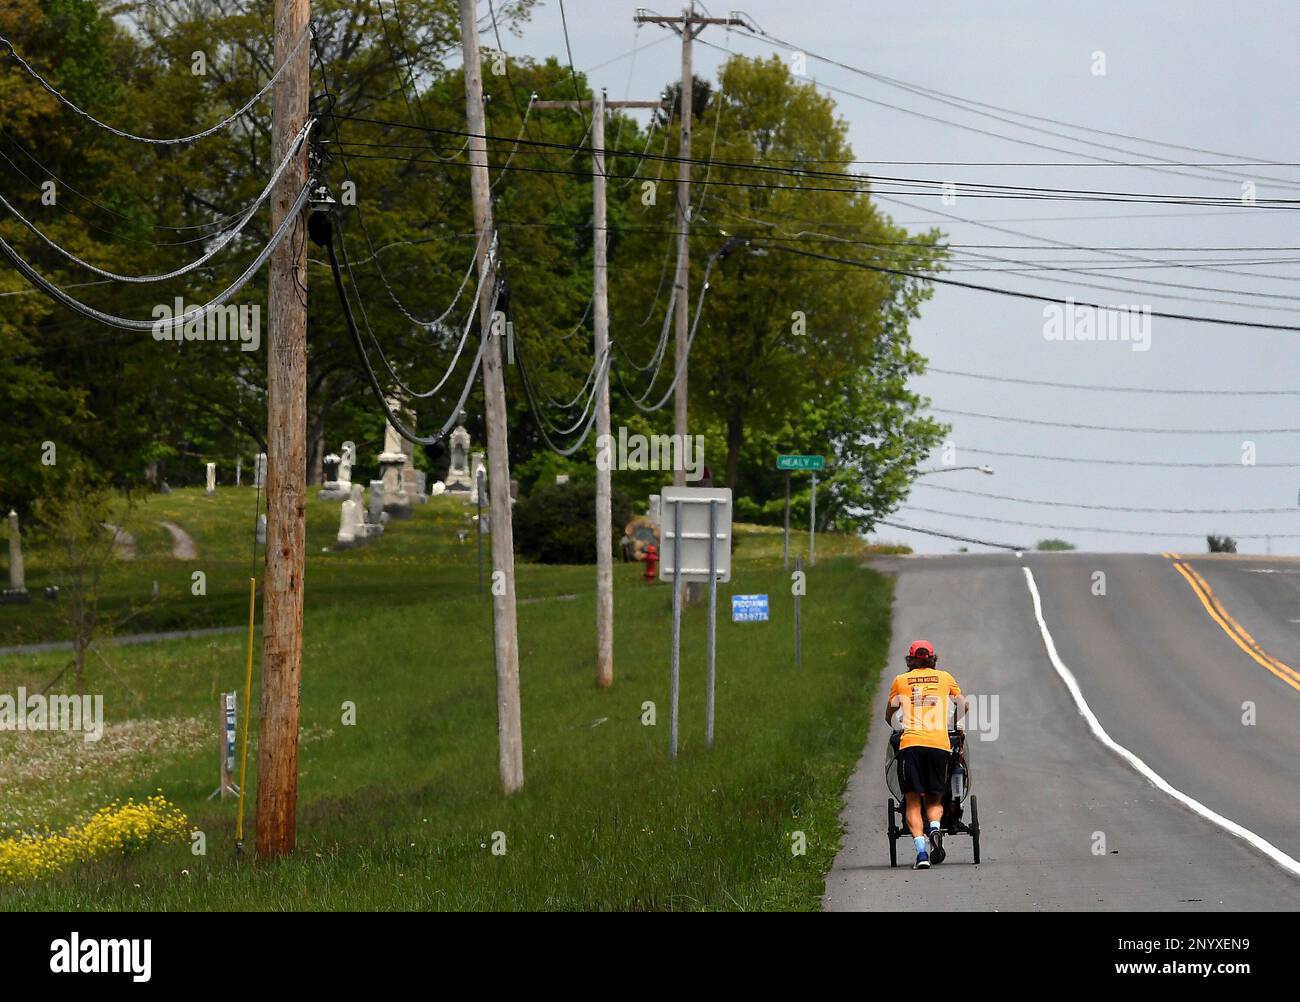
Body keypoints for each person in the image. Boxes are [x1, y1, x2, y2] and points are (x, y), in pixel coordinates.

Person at [885, 639, 963, 869]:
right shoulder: (945, 677)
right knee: (934, 798)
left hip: (911, 745)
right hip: (939, 743)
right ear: (933, 658)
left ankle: (921, 852)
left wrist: (899, 723)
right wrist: (956, 723)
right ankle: (936, 828)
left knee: (911, 801)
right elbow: (963, 704)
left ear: (910, 660)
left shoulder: (900, 680)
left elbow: (889, 714)